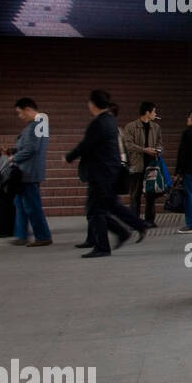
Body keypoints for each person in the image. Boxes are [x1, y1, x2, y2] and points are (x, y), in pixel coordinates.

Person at [65, 89, 148, 257]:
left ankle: (103, 246)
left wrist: (68, 157)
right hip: (109, 171)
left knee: (95, 211)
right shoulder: (110, 121)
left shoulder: (99, 123)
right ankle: (136, 226)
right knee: (111, 205)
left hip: (100, 173)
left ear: (93, 104)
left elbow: (85, 145)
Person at [4, 97, 52, 247]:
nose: (20, 116)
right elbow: (29, 147)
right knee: (21, 204)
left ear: (28, 109)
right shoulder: (38, 124)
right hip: (28, 171)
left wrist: (14, 157)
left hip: (28, 172)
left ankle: (43, 236)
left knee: (31, 206)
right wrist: (14, 150)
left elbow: (31, 149)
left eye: (20, 113)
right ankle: (21, 234)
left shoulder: (36, 125)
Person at [122, 101, 163, 226]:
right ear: (147, 112)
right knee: (135, 194)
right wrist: (144, 150)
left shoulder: (156, 127)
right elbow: (128, 145)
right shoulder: (130, 127)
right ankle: (134, 221)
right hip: (136, 165)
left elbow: (160, 143)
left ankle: (149, 220)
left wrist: (157, 150)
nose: (155, 114)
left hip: (151, 166)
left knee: (151, 194)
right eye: (154, 111)